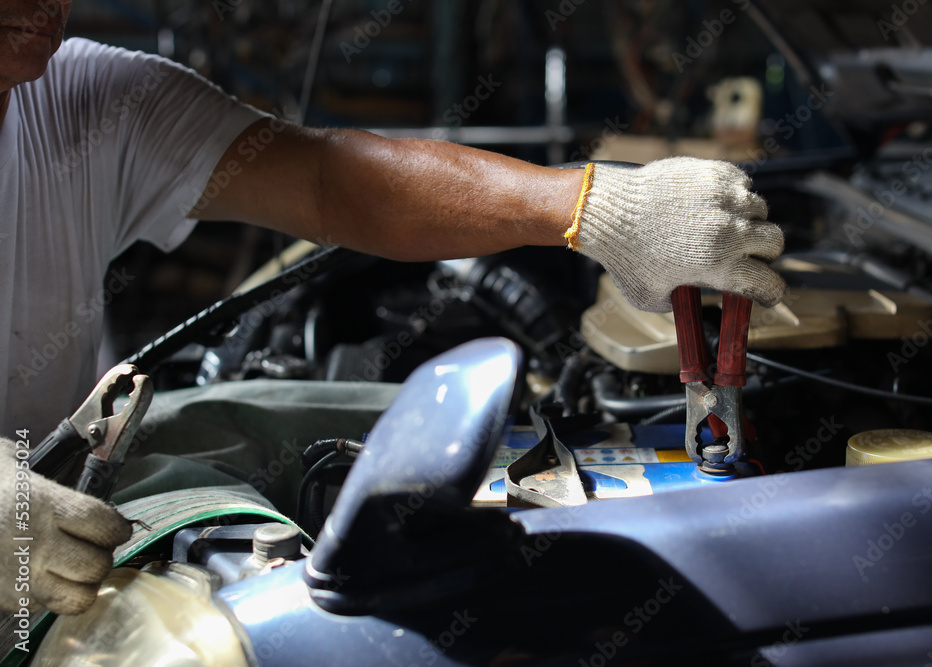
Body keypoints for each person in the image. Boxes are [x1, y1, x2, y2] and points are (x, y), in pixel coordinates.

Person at [0, 0, 785, 615]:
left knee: (349, 423)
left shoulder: (87, 102)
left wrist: (591, 204)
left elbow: (329, 180)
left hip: (60, 502)